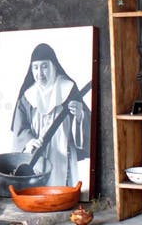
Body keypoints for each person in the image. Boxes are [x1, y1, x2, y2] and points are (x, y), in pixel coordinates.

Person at [11, 42, 90, 186]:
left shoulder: (68, 88)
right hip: (37, 154)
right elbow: (19, 129)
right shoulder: (27, 95)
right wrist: (29, 141)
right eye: (35, 67)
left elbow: (86, 124)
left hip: (63, 152)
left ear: (53, 66)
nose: (39, 73)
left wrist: (80, 116)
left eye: (44, 66)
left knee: (61, 192)